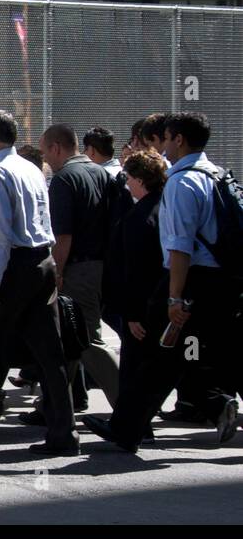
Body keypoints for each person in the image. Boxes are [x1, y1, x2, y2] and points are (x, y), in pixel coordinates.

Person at [84, 112, 241, 452]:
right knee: (178, 356)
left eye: (167, 139)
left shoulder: (183, 182)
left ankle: (129, 426)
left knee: (161, 355)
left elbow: (180, 246)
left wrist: (174, 298)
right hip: (216, 281)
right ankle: (132, 426)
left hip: (190, 282)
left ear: (179, 139)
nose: (163, 146)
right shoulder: (213, 173)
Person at [0, 111, 76, 454]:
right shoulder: (30, 167)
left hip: (15, 265)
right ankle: (63, 433)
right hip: (42, 260)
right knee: (50, 354)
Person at [33, 124, 120, 417]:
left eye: (45, 151)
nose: (45, 158)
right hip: (100, 266)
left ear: (57, 148)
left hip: (77, 269)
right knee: (67, 339)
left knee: (87, 341)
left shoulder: (64, 179)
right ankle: (54, 406)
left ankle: (132, 410)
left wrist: (56, 274)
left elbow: (63, 235)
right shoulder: (100, 173)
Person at [104, 150, 168, 408]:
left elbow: (136, 268)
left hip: (142, 306)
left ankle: (133, 423)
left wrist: (132, 314)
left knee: (134, 365)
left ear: (140, 180)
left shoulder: (139, 216)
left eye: (129, 176)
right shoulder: (164, 206)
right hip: (159, 299)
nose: (127, 182)